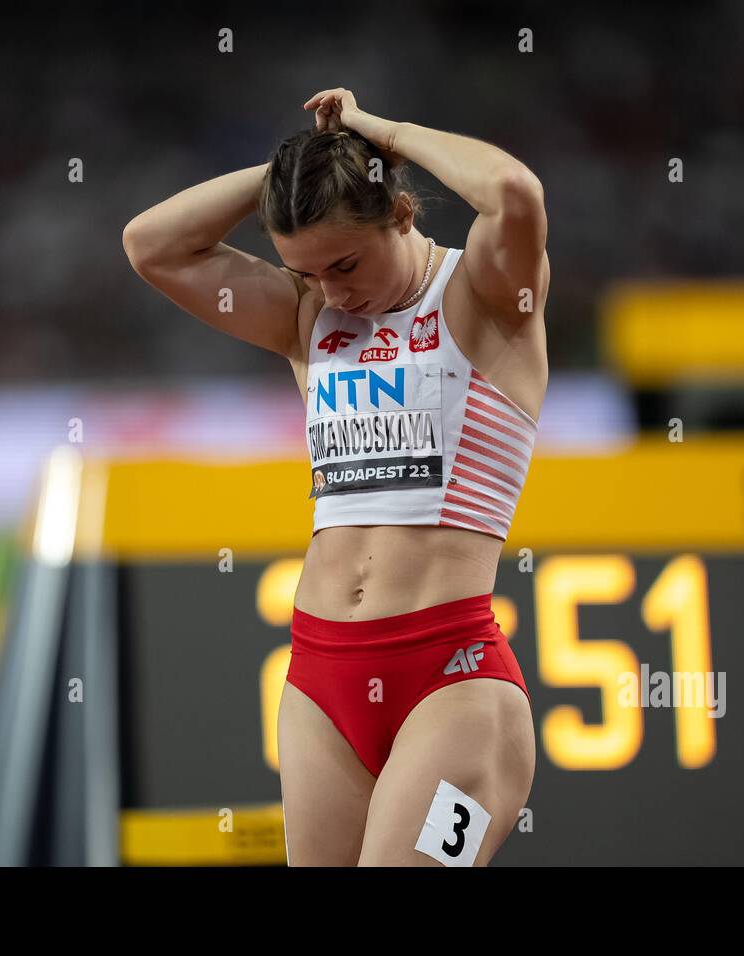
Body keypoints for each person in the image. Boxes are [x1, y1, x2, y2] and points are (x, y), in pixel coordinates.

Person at [123, 88, 549, 866]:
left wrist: (378, 137)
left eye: (346, 263)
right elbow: (150, 244)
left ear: (401, 213)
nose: (336, 292)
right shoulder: (306, 318)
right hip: (320, 679)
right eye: (308, 271)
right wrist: (298, 166)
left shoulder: (486, 299)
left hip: (449, 681)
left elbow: (514, 192)